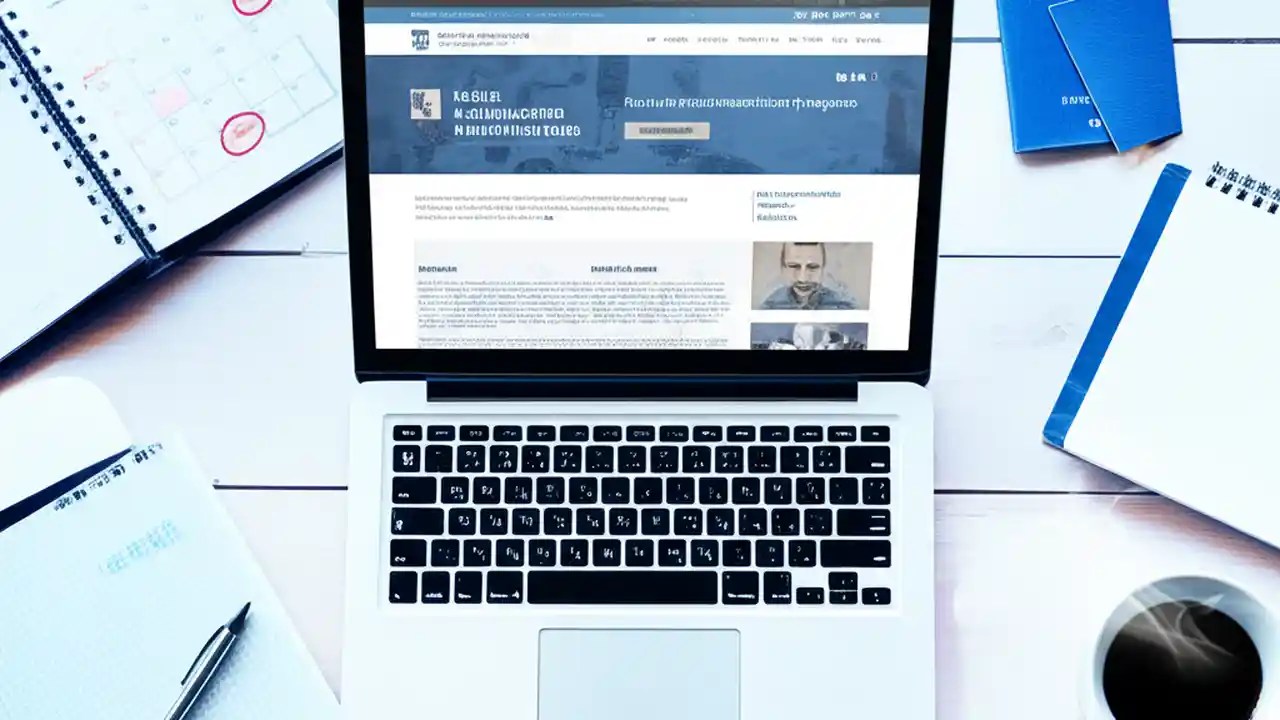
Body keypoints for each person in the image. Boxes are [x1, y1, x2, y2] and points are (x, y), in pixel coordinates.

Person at [759, 242, 859, 310]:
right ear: (783, 268)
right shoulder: (769, 307)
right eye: (794, 266)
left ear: (823, 268)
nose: (803, 278)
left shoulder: (842, 307)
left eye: (813, 267)